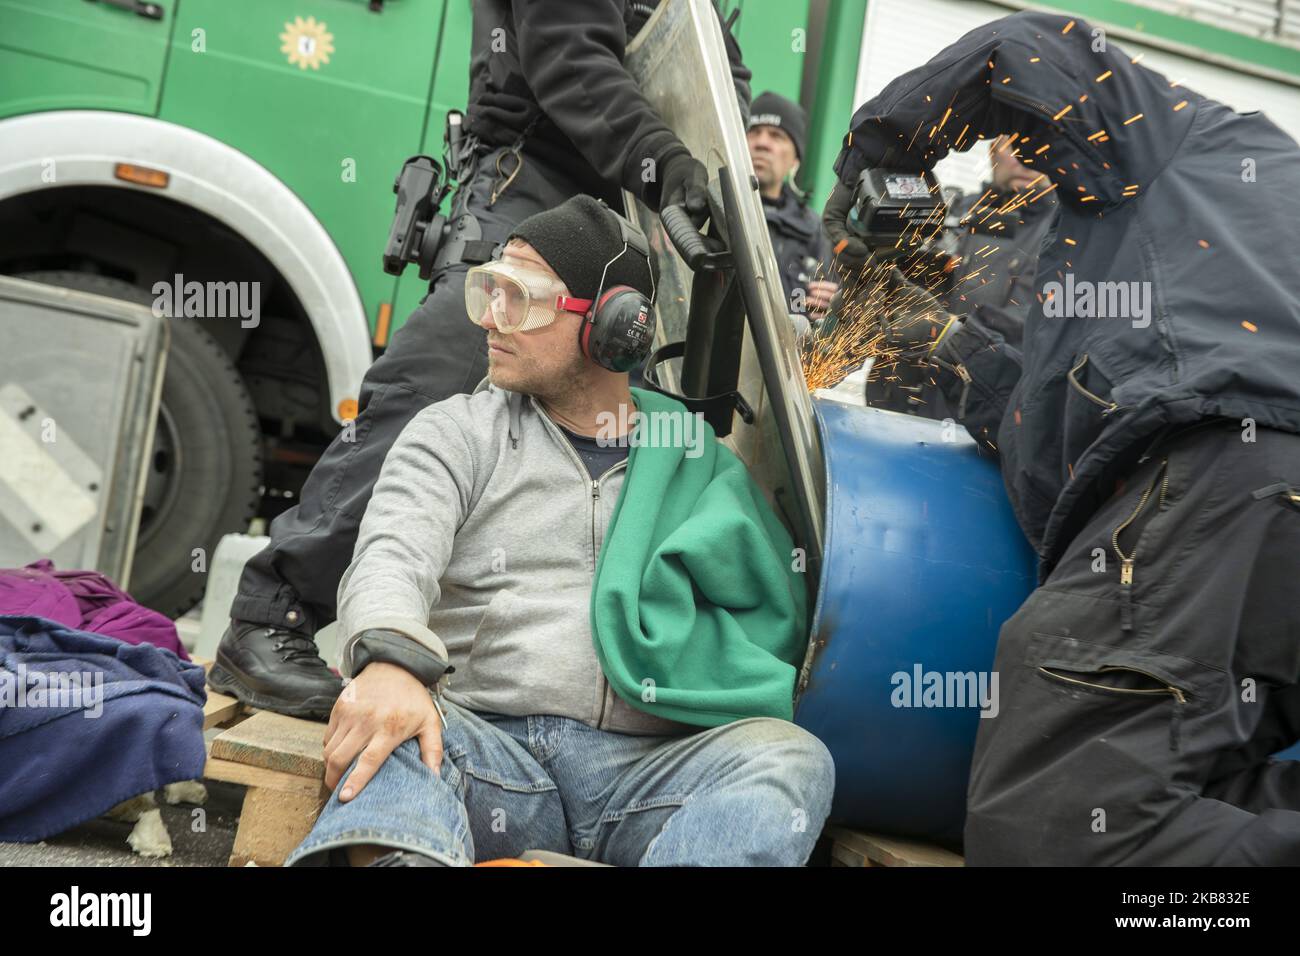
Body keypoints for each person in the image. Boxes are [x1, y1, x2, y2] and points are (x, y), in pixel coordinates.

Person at [826, 10, 1300, 864]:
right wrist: (934, 341)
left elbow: (1022, 49)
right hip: (1253, 516)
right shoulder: (1208, 253)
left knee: (1054, 828)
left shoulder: (1170, 139)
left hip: (1230, 480)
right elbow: (1066, 429)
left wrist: (881, 172)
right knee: (1189, 780)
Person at [211, 0, 752, 719]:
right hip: (532, 184)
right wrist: (667, 160)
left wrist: (707, 166)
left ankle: (572, 685)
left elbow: (716, 76)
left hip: (621, 211)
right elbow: (571, 60)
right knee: (433, 386)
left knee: (610, 434)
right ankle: (268, 619)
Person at [285, 196, 835, 866]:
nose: (492, 317)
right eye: (491, 290)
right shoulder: (455, 432)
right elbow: (391, 557)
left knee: (791, 760)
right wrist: (392, 662)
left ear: (615, 326)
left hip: (645, 776)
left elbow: (770, 609)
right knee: (389, 722)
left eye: (522, 299)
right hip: (483, 754)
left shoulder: (695, 461)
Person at [863, 135, 1059, 417]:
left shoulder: (1064, 239)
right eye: (1015, 144)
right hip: (891, 410)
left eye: (1039, 146)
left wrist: (952, 333)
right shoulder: (948, 212)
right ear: (993, 150)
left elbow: (1039, 328)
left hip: (981, 422)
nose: (1026, 158)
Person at [746, 91, 837, 321]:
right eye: (754, 132)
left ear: (795, 159)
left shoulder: (816, 231)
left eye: (776, 136)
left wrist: (831, 309)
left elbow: (831, 311)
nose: (762, 143)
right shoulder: (715, 208)